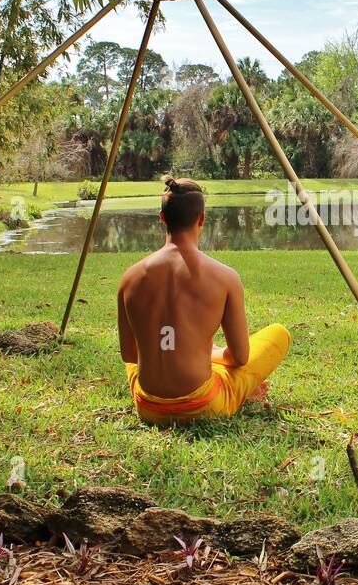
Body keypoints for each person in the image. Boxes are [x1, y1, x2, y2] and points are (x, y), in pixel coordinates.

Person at [117, 175, 290, 425]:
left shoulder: (129, 278)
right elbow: (240, 358)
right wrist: (213, 353)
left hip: (148, 407)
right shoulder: (225, 277)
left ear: (162, 218)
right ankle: (240, 388)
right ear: (202, 219)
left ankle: (200, 362)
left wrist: (178, 350)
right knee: (279, 334)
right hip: (204, 406)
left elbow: (130, 355)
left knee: (143, 359)